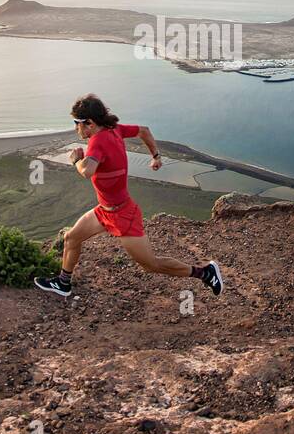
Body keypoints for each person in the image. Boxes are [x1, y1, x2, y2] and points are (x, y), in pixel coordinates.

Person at [34, 94, 223, 299]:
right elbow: (144, 131)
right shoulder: (114, 129)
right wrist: (156, 156)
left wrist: (76, 160)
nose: (75, 128)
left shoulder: (97, 142)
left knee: (151, 265)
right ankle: (63, 283)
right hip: (104, 211)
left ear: (89, 123)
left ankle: (205, 273)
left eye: (76, 123)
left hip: (123, 215)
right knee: (71, 238)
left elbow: (87, 171)